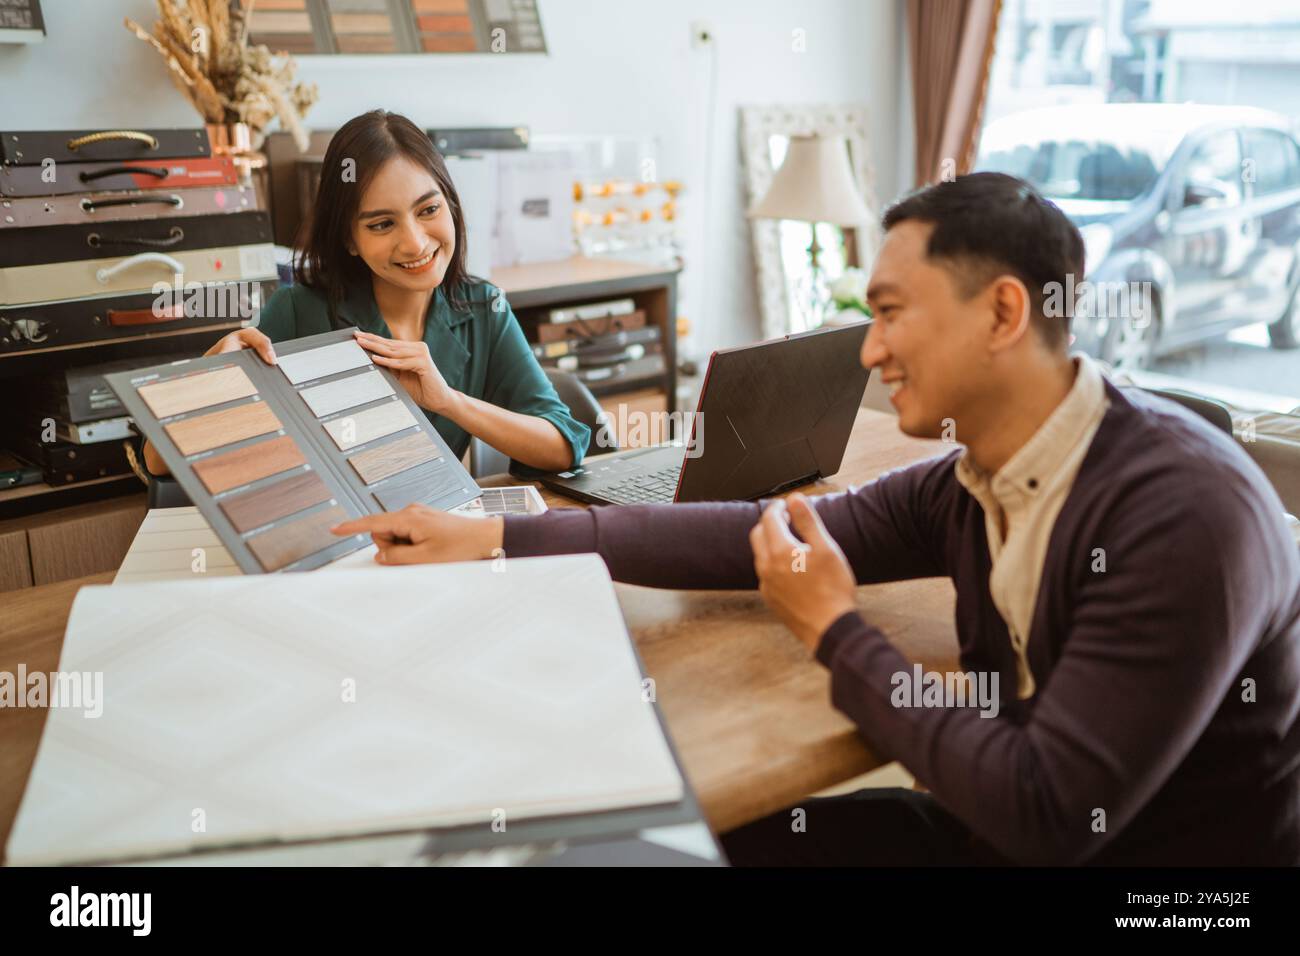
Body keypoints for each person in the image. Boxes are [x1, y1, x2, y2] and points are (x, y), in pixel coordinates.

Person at [331, 172, 1300, 866]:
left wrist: (836, 630)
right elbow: (760, 527)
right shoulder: (973, 473)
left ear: (1004, 312)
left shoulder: (1182, 515)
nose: (869, 348)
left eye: (889, 312)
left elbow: (1050, 811)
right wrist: (500, 535)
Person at [143, 110, 589, 479]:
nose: (414, 243)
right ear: (350, 239)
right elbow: (158, 461)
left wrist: (448, 401)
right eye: (382, 224)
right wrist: (213, 379)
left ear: (451, 205)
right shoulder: (298, 312)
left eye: (428, 209)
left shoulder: (482, 307)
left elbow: (563, 446)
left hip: (433, 540)